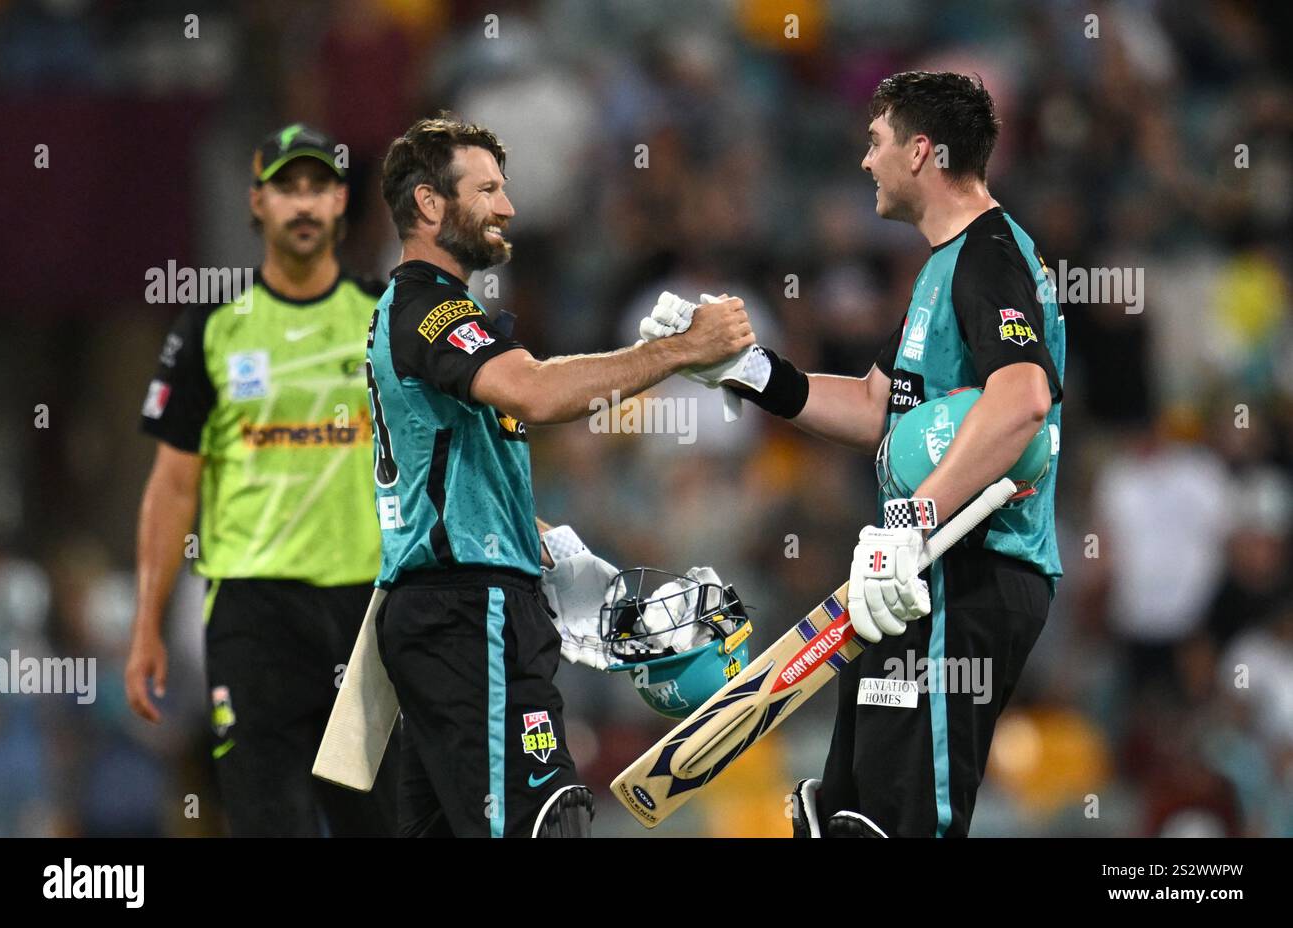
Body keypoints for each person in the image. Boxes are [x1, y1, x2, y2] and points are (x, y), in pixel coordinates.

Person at [641, 72, 1065, 837]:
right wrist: (742, 370)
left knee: (907, 822)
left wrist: (912, 521)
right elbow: (878, 408)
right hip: (914, 577)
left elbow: (1025, 400)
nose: (865, 162)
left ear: (922, 153)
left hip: (963, 573)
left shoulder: (989, 256)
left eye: (876, 143)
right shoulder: (942, 266)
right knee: (849, 817)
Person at [368, 114, 753, 837]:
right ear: (428, 204)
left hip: (454, 608)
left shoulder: (424, 311)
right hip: (468, 614)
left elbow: (441, 476)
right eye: (486, 189)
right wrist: (679, 351)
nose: (508, 206)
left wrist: (549, 546)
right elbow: (538, 392)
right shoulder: (430, 307)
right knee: (547, 822)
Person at [127, 124, 398, 837]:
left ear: (342, 201)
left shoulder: (386, 322)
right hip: (252, 612)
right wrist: (147, 624)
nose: (302, 204)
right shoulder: (212, 328)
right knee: (263, 819)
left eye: (317, 188)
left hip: (366, 611)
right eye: (286, 188)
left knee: (383, 820)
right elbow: (172, 486)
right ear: (257, 203)